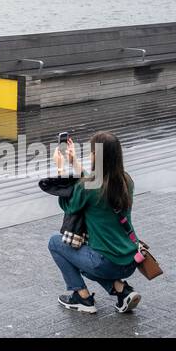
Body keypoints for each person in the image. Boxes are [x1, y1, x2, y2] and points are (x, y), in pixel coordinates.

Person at [48, 131, 143, 315]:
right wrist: (74, 162)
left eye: (92, 151)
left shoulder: (89, 188)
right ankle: (122, 291)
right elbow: (95, 184)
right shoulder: (126, 180)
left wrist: (60, 170)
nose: (90, 154)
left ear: (96, 156)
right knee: (88, 260)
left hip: (106, 263)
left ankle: (81, 297)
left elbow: (69, 205)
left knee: (55, 242)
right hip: (131, 260)